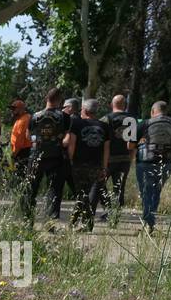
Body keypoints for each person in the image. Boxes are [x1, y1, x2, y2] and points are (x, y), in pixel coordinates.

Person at [23, 87, 71, 222]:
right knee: (54, 190)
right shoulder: (64, 116)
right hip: (56, 157)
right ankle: (51, 221)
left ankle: (28, 219)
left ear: (46, 98)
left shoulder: (35, 115)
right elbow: (67, 139)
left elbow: (28, 136)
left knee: (31, 189)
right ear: (60, 100)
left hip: (36, 156)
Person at [65, 98, 109, 232]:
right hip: (96, 164)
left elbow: (71, 143)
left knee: (82, 194)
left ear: (84, 109)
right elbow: (107, 149)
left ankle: (87, 224)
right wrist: (104, 167)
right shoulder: (104, 126)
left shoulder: (77, 123)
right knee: (83, 194)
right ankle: (73, 222)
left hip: (79, 163)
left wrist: (70, 160)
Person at [137, 100, 171, 233]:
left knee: (146, 192)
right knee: (156, 192)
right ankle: (150, 220)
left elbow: (130, 145)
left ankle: (148, 221)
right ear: (166, 111)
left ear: (152, 111)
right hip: (166, 163)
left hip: (146, 163)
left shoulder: (145, 123)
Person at [101, 94, 136, 222]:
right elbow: (134, 143)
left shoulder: (106, 119)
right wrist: (131, 158)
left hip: (109, 158)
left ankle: (109, 209)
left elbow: (103, 140)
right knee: (119, 187)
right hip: (125, 158)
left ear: (111, 104)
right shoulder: (133, 119)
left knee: (99, 184)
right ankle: (115, 214)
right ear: (125, 105)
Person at [9, 99, 32, 177]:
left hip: (21, 152)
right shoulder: (26, 117)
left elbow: (19, 142)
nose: (12, 111)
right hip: (27, 151)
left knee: (20, 176)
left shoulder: (23, 120)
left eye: (14, 109)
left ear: (21, 109)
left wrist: (13, 155)